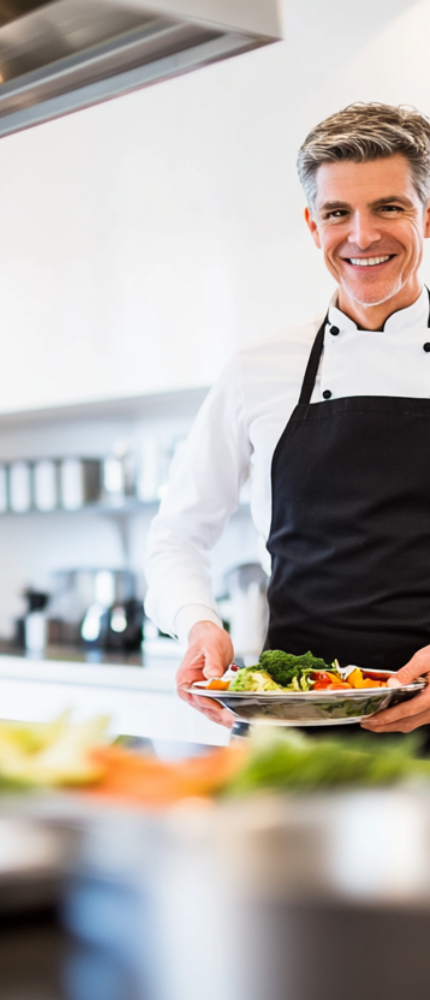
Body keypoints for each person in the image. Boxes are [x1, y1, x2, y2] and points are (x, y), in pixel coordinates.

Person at [144, 102, 430, 736]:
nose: (361, 236)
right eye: (337, 213)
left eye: (389, 207)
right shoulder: (259, 367)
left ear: (427, 215)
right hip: (294, 724)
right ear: (312, 224)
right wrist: (198, 622)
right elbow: (177, 536)